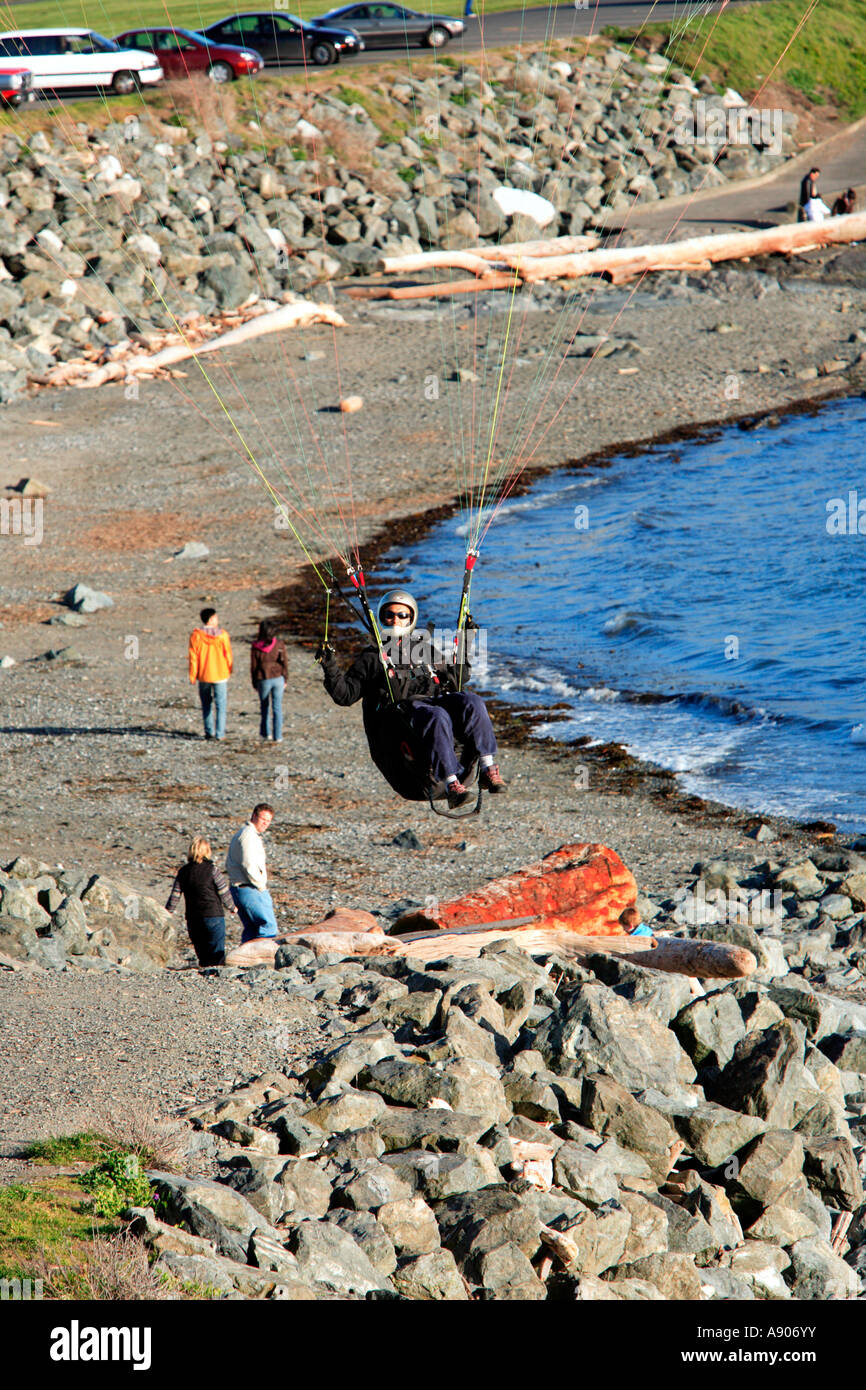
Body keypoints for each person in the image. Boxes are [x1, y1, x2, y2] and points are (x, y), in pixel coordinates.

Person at [318, 589, 506, 809]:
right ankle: (451, 783)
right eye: (390, 615)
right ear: (381, 618)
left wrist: (467, 642)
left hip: (432, 707)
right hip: (403, 720)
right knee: (436, 715)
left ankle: (488, 768)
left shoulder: (424, 650)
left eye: (402, 615)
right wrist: (330, 666)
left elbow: (459, 677)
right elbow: (345, 695)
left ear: (412, 618)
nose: (395, 620)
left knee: (472, 701)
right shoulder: (373, 658)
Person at [165, 836, 237, 967]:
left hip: (193, 918)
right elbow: (223, 891)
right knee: (216, 953)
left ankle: (205, 976)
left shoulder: (183, 871)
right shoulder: (212, 870)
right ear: (207, 851)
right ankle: (215, 977)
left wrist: (168, 912)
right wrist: (232, 907)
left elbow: (175, 895)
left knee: (202, 954)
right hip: (213, 915)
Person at [225, 803, 278, 941]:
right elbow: (248, 864)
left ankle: (245, 961)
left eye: (268, 821)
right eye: (263, 819)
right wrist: (261, 885)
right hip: (250, 889)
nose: (266, 823)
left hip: (240, 888)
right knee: (268, 927)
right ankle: (261, 959)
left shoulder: (245, 834)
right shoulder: (248, 836)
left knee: (252, 930)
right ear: (254, 816)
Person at [189, 607, 233, 740]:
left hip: (203, 674)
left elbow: (193, 657)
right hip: (220, 674)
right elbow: (228, 655)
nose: (218, 620)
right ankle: (220, 734)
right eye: (216, 617)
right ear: (211, 619)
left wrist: (193, 674)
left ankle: (209, 732)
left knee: (206, 704)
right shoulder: (223, 635)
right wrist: (229, 669)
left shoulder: (196, 635)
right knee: (221, 705)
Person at [250, 618, 288, 742]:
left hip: (263, 679)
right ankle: (278, 736)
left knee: (264, 707)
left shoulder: (255, 646)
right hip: (278, 678)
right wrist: (286, 678)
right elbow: (284, 662)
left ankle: (265, 733)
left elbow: (254, 666)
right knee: (277, 708)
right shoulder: (279, 644)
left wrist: (254, 682)